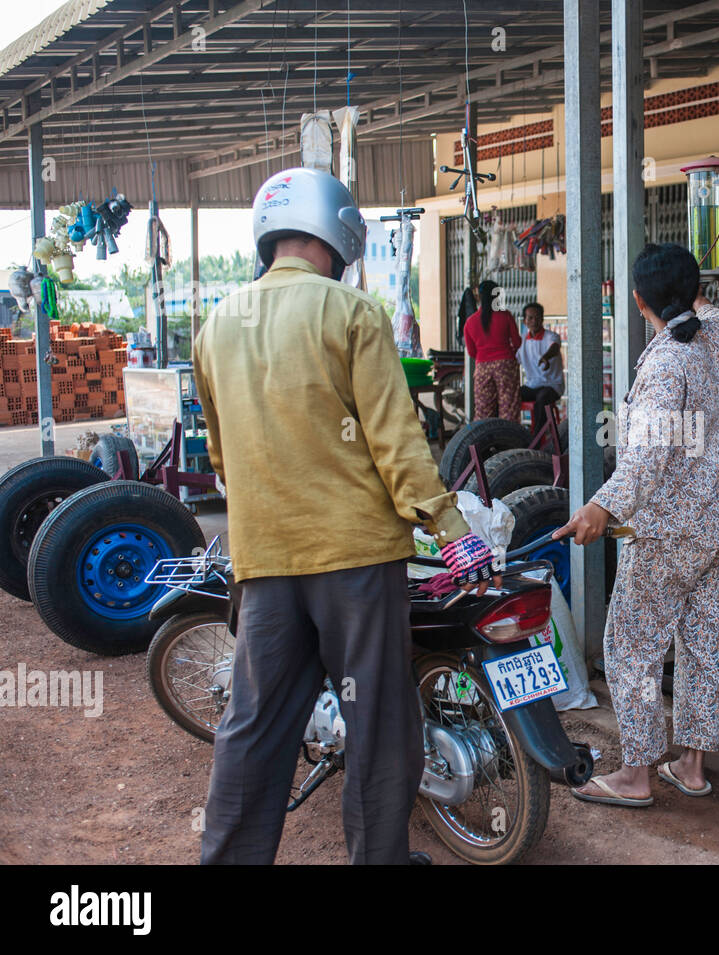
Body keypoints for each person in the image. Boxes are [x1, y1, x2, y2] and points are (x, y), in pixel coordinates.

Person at [192, 167, 497, 865]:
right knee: (379, 727)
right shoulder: (352, 313)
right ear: (337, 230)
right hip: (356, 564)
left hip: (265, 561)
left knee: (254, 728)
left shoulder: (215, 327)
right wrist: (452, 532)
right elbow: (396, 441)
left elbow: (221, 458)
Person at [556, 242, 719, 807]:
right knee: (704, 643)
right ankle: (691, 766)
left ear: (639, 301)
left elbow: (646, 459)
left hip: (672, 532)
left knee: (631, 646)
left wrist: (600, 507)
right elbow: (716, 316)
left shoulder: (667, 362)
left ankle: (637, 773)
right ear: (695, 291)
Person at [463, 279, 522, 421]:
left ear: (479, 297)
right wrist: (507, 354)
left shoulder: (470, 322)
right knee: (509, 409)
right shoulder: (505, 315)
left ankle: (483, 442)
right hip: (505, 365)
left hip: (482, 368)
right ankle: (508, 442)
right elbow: (517, 342)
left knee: (483, 411)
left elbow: (471, 353)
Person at [516, 301, 564, 435]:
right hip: (532, 386)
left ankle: (536, 438)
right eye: (530, 318)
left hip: (552, 385)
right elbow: (515, 360)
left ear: (542, 319)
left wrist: (546, 357)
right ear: (525, 321)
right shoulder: (521, 341)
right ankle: (512, 434)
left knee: (542, 399)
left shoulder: (551, 336)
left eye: (537, 317)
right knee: (511, 396)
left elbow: (554, 347)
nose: (534, 321)